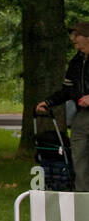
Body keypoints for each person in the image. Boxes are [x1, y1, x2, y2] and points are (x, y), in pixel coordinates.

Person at [35, 21, 89, 191]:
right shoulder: (76, 62)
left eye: (76, 34)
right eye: (72, 35)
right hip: (82, 117)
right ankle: (83, 199)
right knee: (78, 158)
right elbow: (67, 90)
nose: (73, 39)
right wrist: (49, 102)